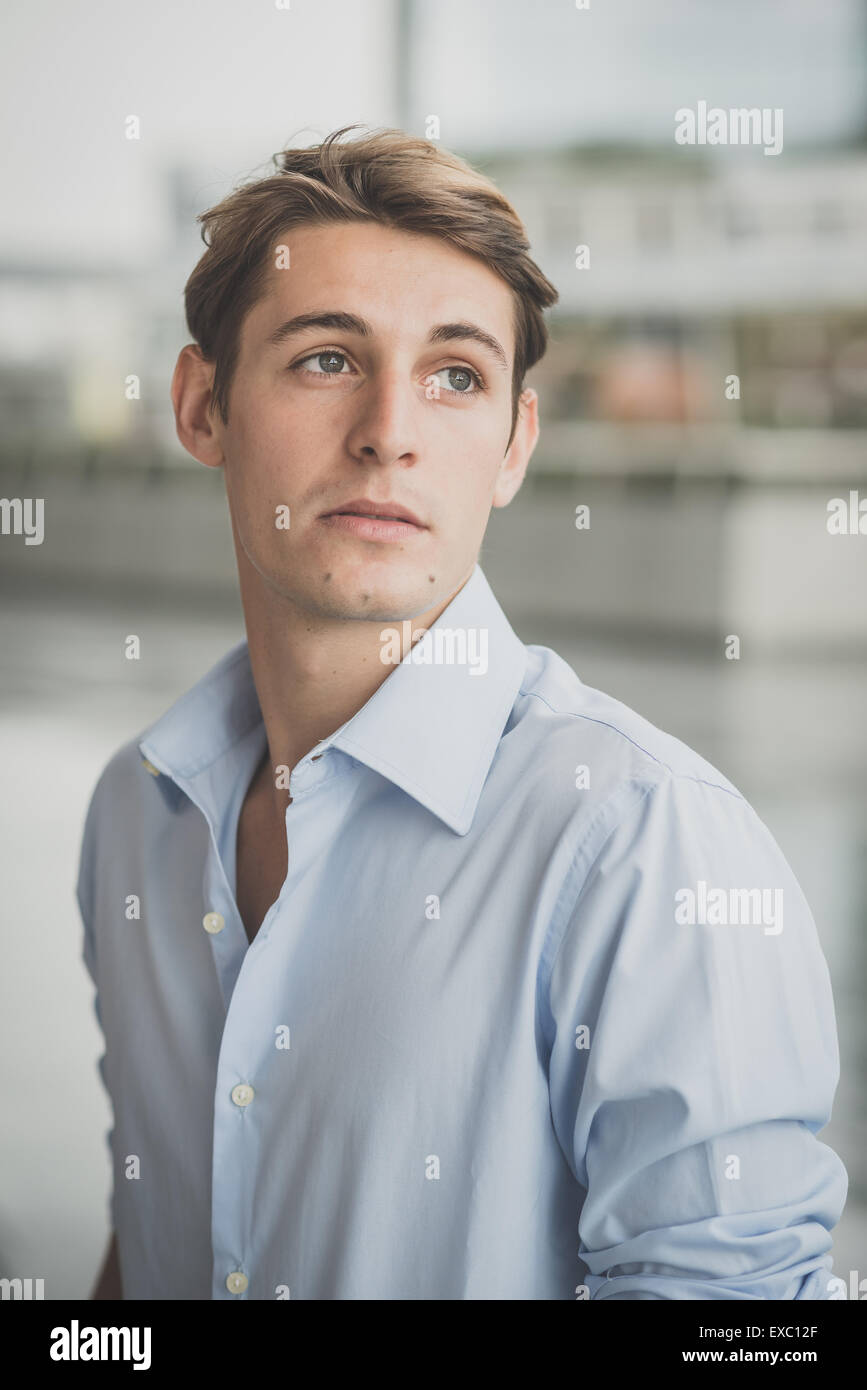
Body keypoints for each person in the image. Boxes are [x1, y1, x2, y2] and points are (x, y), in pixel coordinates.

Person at [80, 124, 847, 1301]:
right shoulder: (136, 812)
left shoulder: (647, 847)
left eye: (456, 376)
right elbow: (156, 1236)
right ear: (203, 407)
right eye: (328, 357)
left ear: (511, 447)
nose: (392, 430)